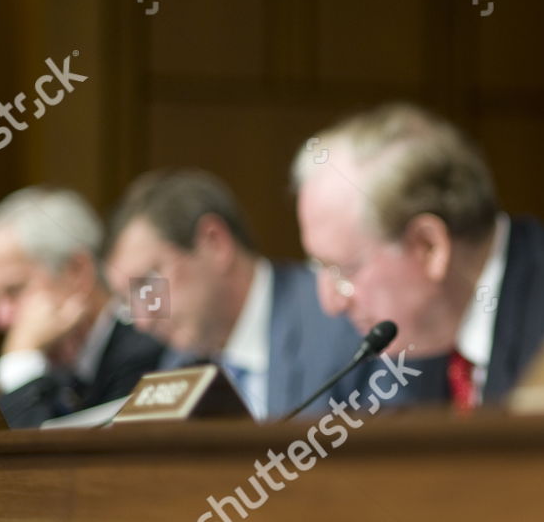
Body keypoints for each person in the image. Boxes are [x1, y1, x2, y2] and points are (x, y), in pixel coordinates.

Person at [292, 103, 544, 413]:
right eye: (319, 268)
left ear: (429, 246)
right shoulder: (398, 349)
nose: (331, 301)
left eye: (345, 270)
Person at [103, 169, 359, 420]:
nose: (142, 321)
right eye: (128, 300)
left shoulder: (342, 326)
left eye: (148, 284)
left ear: (215, 243)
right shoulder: (175, 368)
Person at [0, 186, 163, 427]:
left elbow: (38, 460)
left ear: (77, 271)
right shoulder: (52, 366)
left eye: (14, 290)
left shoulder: (146, 351)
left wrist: (20, 359)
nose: (0, 318)